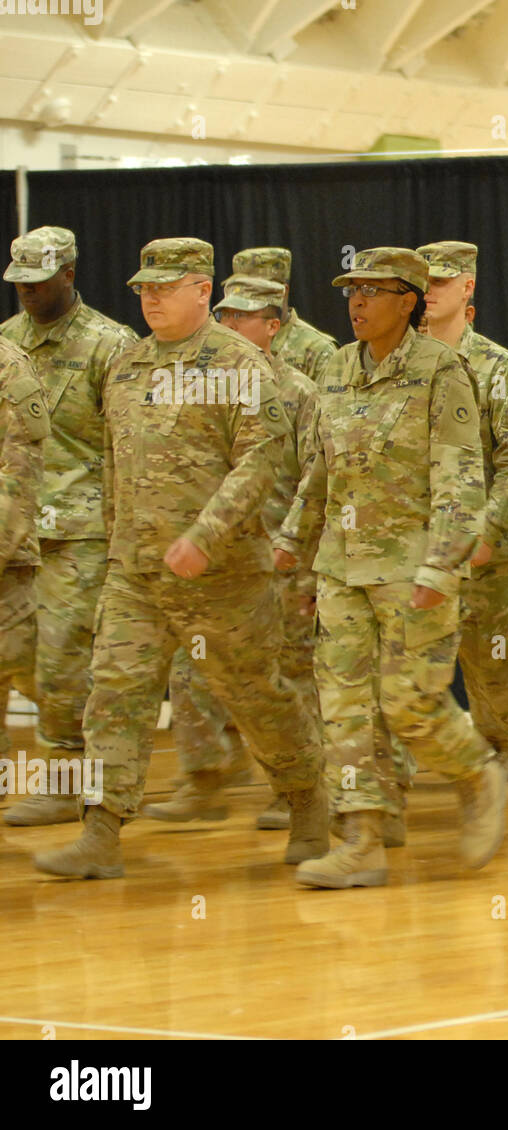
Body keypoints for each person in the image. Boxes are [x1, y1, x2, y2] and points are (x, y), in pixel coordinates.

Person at [33, 237, 326, 880]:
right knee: (113, 691)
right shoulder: (129, 365)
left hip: (221, 577)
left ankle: (307, 800)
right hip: (135, 572)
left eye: (165, 288)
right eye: (144, 289)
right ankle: (101, 830)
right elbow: (114, 462)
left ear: (202, 290)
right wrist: (118, 543)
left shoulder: (240, 363)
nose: (151, 300)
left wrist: (205, 535)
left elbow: (261, 457)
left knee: (254, 696)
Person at [274, 246, 506, 887]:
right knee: (344, 712)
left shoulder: (442, 370)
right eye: (352, 290)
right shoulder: (337, 368)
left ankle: (473, 772)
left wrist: (441, 566)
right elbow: (323, 465)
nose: (356, 302)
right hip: (341, 568)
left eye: (372, 291)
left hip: (411, 568)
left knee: (407, 706)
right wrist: (294, 536)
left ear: (408, 300)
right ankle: (362, 840)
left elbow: (461, 477)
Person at [140, 275, 334, 833]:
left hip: (284, 559)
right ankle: (205, 777)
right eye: (224, 315)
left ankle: (294, 789)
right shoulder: (205, 385)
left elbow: (318, 479)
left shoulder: (300, 393)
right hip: (220, 558)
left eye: (244, 316)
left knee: (287, 676)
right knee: (193, 669)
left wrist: (293, 543)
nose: (230, 325)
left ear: (272, 326)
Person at [417, 240, 508, 831]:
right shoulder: (399, 364)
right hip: (407, 554)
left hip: (480, 556)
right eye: (423, 282)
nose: (429, 292)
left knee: (497, 675)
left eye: (442, 282)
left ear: (468, 288)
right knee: (404, 682)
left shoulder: (498, 368)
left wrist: (489, 525)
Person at [0, 226, 136, 826]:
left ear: (70, 274)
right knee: (18, 661)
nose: (28, 292)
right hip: (13, 528)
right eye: (19, 282)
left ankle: (63, 782)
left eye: (39, 281)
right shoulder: (5, 343)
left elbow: (130, 444)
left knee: (61, 660)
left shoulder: (111, 345)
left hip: (80, 531)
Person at [0, 338, 47, 777]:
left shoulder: (9, 369)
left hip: (6, 567)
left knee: (35, 676)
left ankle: (95, 769)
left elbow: (19, 480)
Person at [229, 247, 338, 383]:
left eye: (259, 291)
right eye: (242, 290)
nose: (248, 298)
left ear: (283, 292)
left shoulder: (318, 351)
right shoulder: (227, 340)